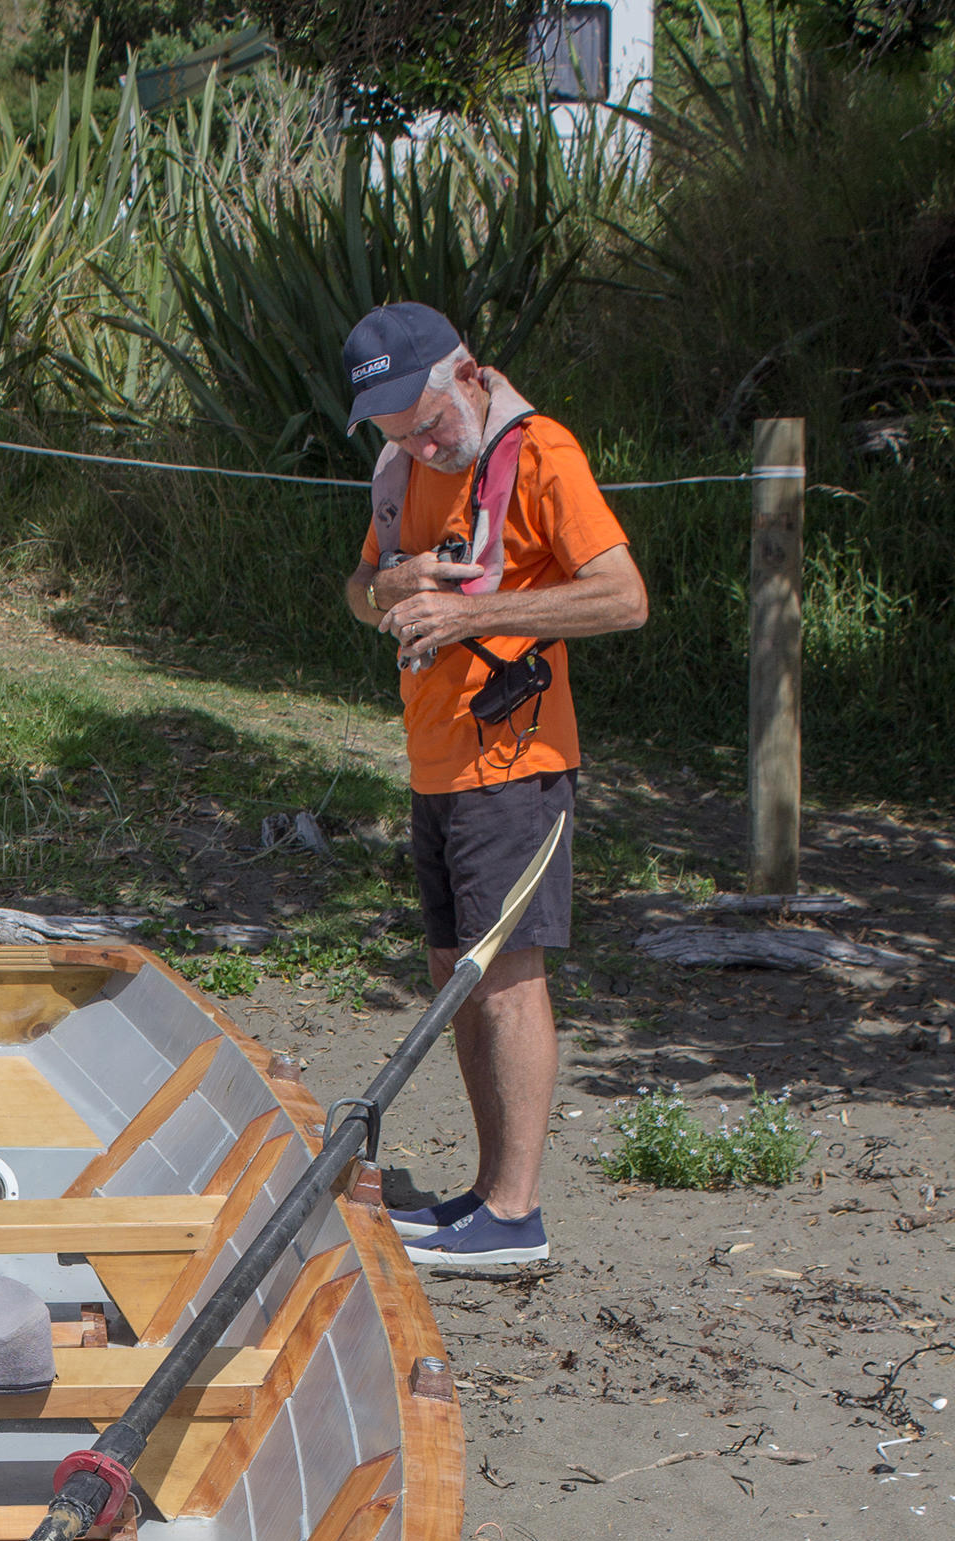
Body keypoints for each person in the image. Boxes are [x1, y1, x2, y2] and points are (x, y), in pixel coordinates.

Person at [340, 301, 648, 1274]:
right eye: (397, 433)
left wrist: (478, 616)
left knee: (507, 981)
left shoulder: (541, 451)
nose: (421, 444)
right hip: (434, 765)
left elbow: (622, 596)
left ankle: (514, 1214)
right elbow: (356, 592)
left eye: (427, 422)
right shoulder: (399, 474)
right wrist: (390, 589)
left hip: (516, 765)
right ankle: (483, 1198)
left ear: (468, 374)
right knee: (456, 981)